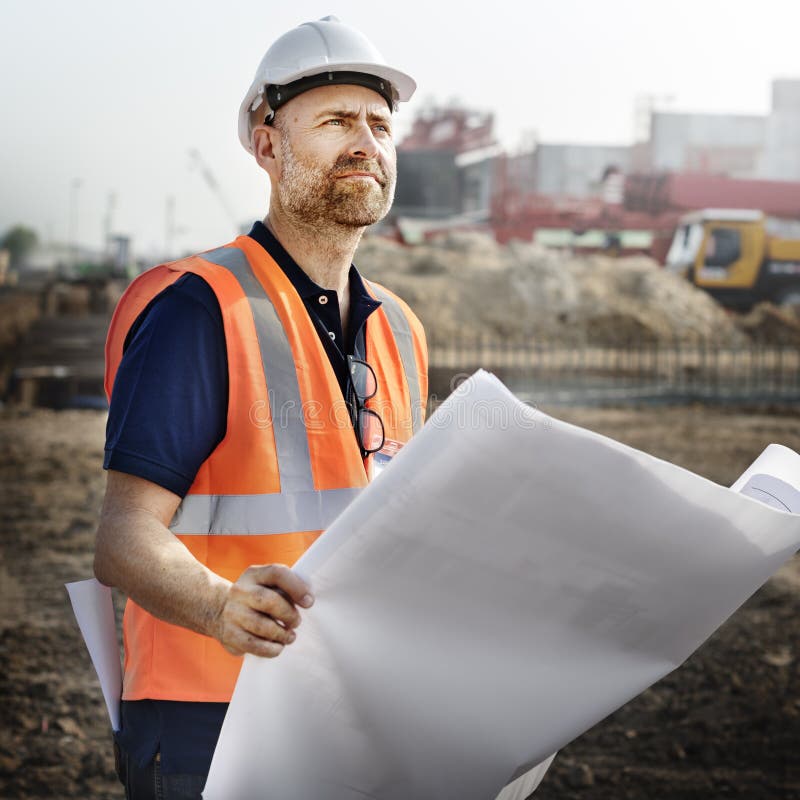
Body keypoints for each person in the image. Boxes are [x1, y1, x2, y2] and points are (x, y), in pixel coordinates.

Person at [93, 16, 427, 799]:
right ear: (268, 146)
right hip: (208, 725)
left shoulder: (401, 328)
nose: (366, 144)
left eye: (379, 125)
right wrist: (220, 608)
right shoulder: (198, 309)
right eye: (336, 122)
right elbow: (122, 536)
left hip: (351, 711)